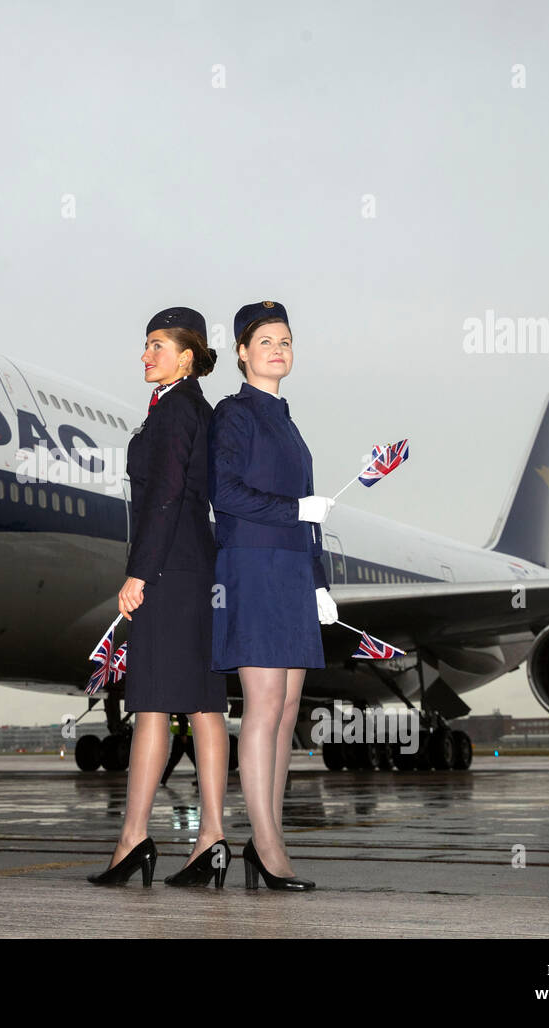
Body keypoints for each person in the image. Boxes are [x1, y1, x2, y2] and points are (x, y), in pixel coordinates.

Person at [87, 306, 230, 888]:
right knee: (202, 704)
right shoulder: (194, 408)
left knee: (150, 704)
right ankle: (212, 839)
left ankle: (133, 840)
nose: (145, 355)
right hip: (199, 570)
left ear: (186, 356)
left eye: (156, 345)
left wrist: (138, 574)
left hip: (169, 572)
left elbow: (165, 497)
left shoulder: (174, 412)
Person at [207, 300, 339, 891]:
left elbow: (311, 523)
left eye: (285, 340)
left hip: (290, 571)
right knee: (262, 709)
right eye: (265, 341)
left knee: (287, 712)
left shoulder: (289, 422)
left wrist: (319, 586)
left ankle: (271, 834)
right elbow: (225, 493)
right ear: (241, 352)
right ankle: (266, 845)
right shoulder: (233, 415)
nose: (278, 349)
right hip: (253, 567)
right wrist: (294, 509)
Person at [159, 713, 196, 786]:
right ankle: (163, 780)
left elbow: (183, 721)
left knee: (173, 760)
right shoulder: (178, 709)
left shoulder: (179, 709)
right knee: (195, 760)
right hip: (186, 736)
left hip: (182, 737)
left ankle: (163, 780)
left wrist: (183, 735)